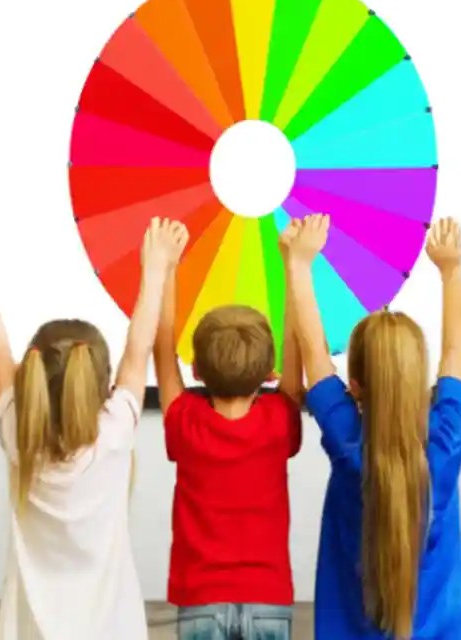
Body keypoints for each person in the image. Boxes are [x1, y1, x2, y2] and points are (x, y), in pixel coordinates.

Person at [0, 203, 188, 640]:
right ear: (100, 381)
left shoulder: (20, 433)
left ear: (32, 371)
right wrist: (155, 270)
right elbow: (139, 349)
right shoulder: (113, 433)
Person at [285, 214, 461, 640]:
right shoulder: (447, 438)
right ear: (419, 376)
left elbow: (314, 352)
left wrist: (299, 264)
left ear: (354, 386)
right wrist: (452, 271)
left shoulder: (347, 441)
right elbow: (456, 349)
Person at [153, 223, 304, 639]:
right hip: (268, 597)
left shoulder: (185, 421)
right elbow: (296, 343)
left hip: (200, 598)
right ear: (270, 373)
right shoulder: (280, 418)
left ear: (196, 369)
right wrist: (293, 263)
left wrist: (167, 270)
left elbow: (162, 346)